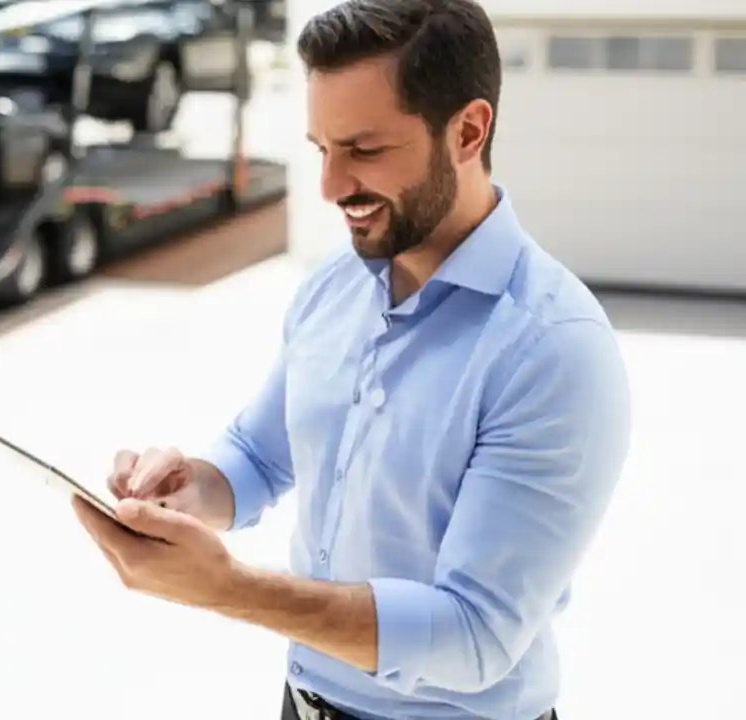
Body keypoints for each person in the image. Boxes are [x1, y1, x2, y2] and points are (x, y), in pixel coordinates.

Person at [70, 0, 631, 718]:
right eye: (321, 150)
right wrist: (184, 490)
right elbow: (260, 454)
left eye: (364, 150)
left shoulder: (552, 348)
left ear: (467, 130)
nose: (333, 187)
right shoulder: (337, 285)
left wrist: (228, 589)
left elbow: (475, 636)